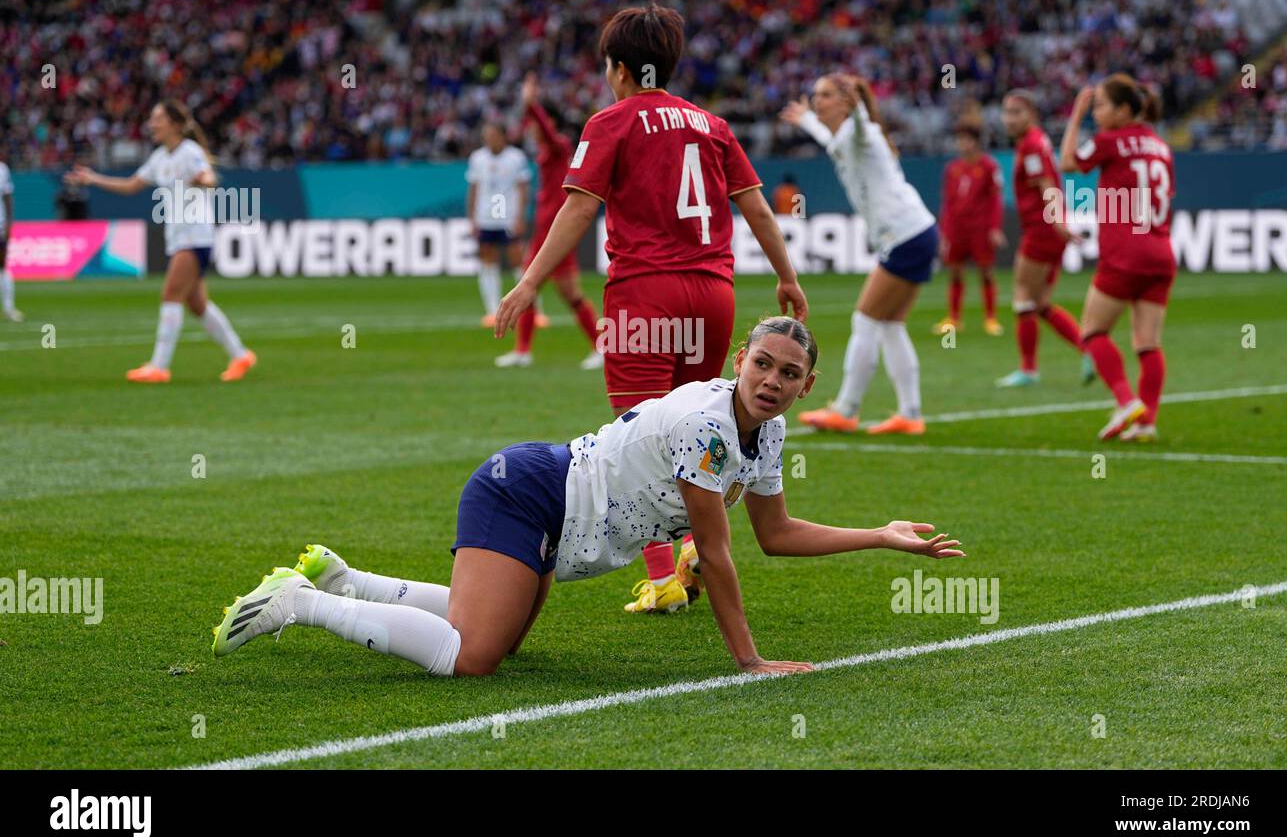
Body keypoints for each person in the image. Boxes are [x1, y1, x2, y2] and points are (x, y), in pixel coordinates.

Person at [211, 317, 964, 676]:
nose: (772, 380)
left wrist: (880, 534)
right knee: (474, 657)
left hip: (555, 514)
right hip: (528, 494)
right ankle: (299, 602)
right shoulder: (709, 424)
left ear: (808, 385)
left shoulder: (766, 433)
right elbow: (720, 555)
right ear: (740, 359)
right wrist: (750, 661)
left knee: (497, 635)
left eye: (788, 373)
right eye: (762, 363)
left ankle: (349, 580)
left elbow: (777, 534)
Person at [494, 2, 808, 615]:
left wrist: (531, 281)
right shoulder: (713, 125)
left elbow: (580, 208)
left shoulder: (610, 122)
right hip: (714, 294)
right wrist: (786, 276)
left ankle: (664, 577)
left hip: (646, 294)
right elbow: (759, 210)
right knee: (695, 428)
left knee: (641, 440)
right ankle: (693, 545)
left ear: (618, 69)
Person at [781, 74, 937, 436]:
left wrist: (815, 119)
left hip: (906, 236)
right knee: (890, 326)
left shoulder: (860, 128)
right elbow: (836, 143)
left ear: (846, 101)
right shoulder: (849, 135)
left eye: (825, 95)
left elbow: (849, 135)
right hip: (915, 233)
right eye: (815, 94)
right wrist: (809, 121)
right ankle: (910, 414)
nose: (817, 101)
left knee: (865, 320)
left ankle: (847, 409)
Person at [63, 101, 255, 383]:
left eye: (158, 119)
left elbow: (209, 176)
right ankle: (240, 355)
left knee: (170, 295)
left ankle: (159, 367)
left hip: (195, 235)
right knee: (197, 304)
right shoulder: (159, 158)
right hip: (178, 237)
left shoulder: (189, 152)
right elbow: (131, 186)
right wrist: (93, 179)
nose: (152, 124)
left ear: (175, 124)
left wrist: (205, 181)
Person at [1060, 74, 1175, 442]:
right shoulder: (1160, 146)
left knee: (1092, 332)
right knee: (1148, 343)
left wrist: (1074, 118)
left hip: (1126, 251)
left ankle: (1126, 401)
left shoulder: (1110, 141)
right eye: (1092, 108)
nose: (1095, 113)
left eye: (1100, 106)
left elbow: (1067, 163)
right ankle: (1147, 422)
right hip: (1160, 252)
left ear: (1124, 110)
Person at [495, 72, 602, 369]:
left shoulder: (560, 146)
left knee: (569, 294)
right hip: (543, 230)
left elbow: (544, 127)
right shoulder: (546, 151)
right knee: (528, 289)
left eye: (534, 124)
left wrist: (531, 105)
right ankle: (523, 351)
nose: (530, 130)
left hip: (557, 232)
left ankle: (600, 347)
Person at [994, 89, 1091, 388]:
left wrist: (1057, 220)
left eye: (1016, 112)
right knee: (1041, 302)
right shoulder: (1036, 142)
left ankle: (1029, 369)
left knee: (1023, 298)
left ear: (1032, 115)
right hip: (1049, 229)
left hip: (1042, 229)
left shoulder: (1032, 145)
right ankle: (1089, 350)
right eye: (1006, 112)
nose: (1009, 119)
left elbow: (1046, 186)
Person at [934, 121, 1004, 336]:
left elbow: (995, 199)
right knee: (954, 272)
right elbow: (947, 202)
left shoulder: (989, 167)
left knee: (985, 272)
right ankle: (954, 318)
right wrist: (944, 232)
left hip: (980, 228)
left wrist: (994, 228)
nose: (962, 144)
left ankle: (991, 318)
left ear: (976, 142)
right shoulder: (952, 169)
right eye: (959, 139)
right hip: (957, 228)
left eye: (966, 139)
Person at [466, 121, 531, 328]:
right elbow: (474, 188)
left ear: (503, 136)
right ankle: (492, 310)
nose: (489, 140)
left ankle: (532, 310)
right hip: (485, 217)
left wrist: (520, 217)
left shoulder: (516, 157)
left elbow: (523, 188)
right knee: (487, 261)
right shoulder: (477, 158)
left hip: (508, 217)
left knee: (517, 261)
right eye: (486, 136)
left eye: (493, 135)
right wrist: (472, 218)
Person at [0, 157, 20, 321]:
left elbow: (7, 198)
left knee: (2, 266)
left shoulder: (2, 170)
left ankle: (9, 307)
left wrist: (9, 223)